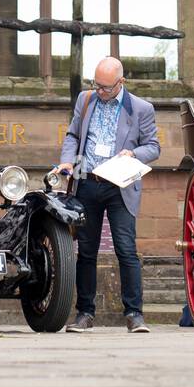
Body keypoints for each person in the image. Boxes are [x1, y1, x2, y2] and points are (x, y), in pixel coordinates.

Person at [56, 57, 160, 334]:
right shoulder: (86, 100)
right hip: (87, 183)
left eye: (105, 87)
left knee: (125, 250)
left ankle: (134, 315)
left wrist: (134, 153)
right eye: (96, 85)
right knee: (86, 252)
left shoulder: (141, 108)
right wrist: (67, 160)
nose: (99, 91)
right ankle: (85, 314)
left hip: (120, 186)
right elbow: (73, 135)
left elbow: (154, 147)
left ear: (121, 83)